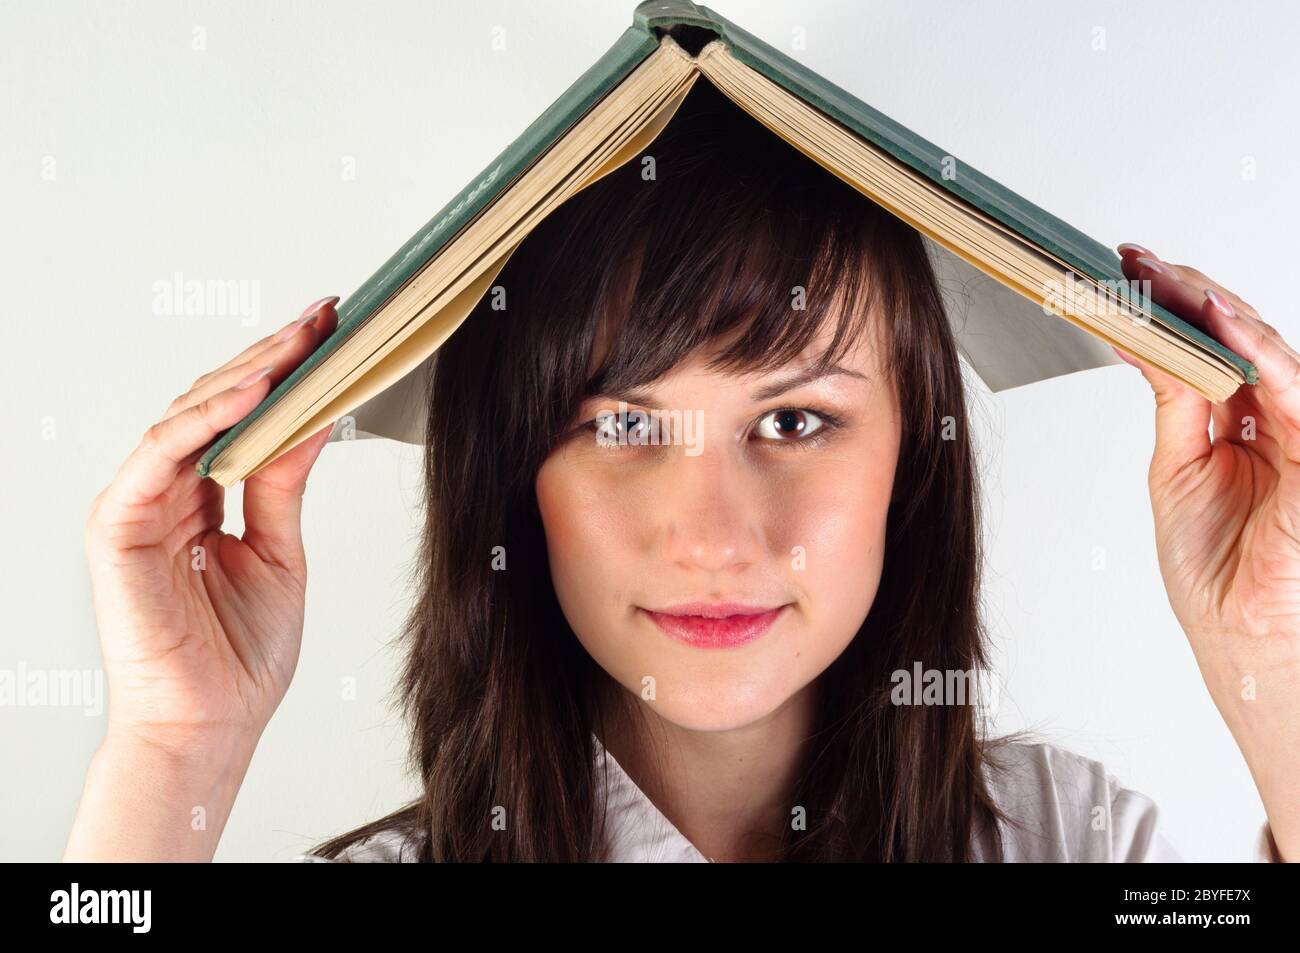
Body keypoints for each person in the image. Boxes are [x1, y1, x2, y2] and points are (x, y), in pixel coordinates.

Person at [66, 82, 1293, 862]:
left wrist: (1276, 666)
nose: (712, 536)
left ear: (912, 463)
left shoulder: (1071, 842)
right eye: (620, 427)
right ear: (512, 484)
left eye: (799, 421)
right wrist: (174, 747)